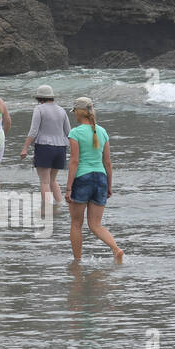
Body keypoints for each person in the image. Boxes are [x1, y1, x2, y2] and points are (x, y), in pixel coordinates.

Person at [65, 96, 123, 262]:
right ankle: (116, 249)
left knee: (76, 224)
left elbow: (74, 161)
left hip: (83, 178)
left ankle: (77, 261)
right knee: (95, 225)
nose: (74, 114)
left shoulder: (75, 133)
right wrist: (109, 186)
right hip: (101, 179)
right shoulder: (102, 131)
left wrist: (69, 188)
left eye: (74, 111)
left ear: (78, 112)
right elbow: (108, 162)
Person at [19, 84, 72, 209]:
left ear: (39, 98)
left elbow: (33, 131)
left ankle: (47, 209)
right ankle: (60, 205)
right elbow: (69, 132)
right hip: (61, 148)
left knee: (44, 181)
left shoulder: (39, 109)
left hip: (44, 147)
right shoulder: (61, 110)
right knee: (53, 180)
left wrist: (25, 148)